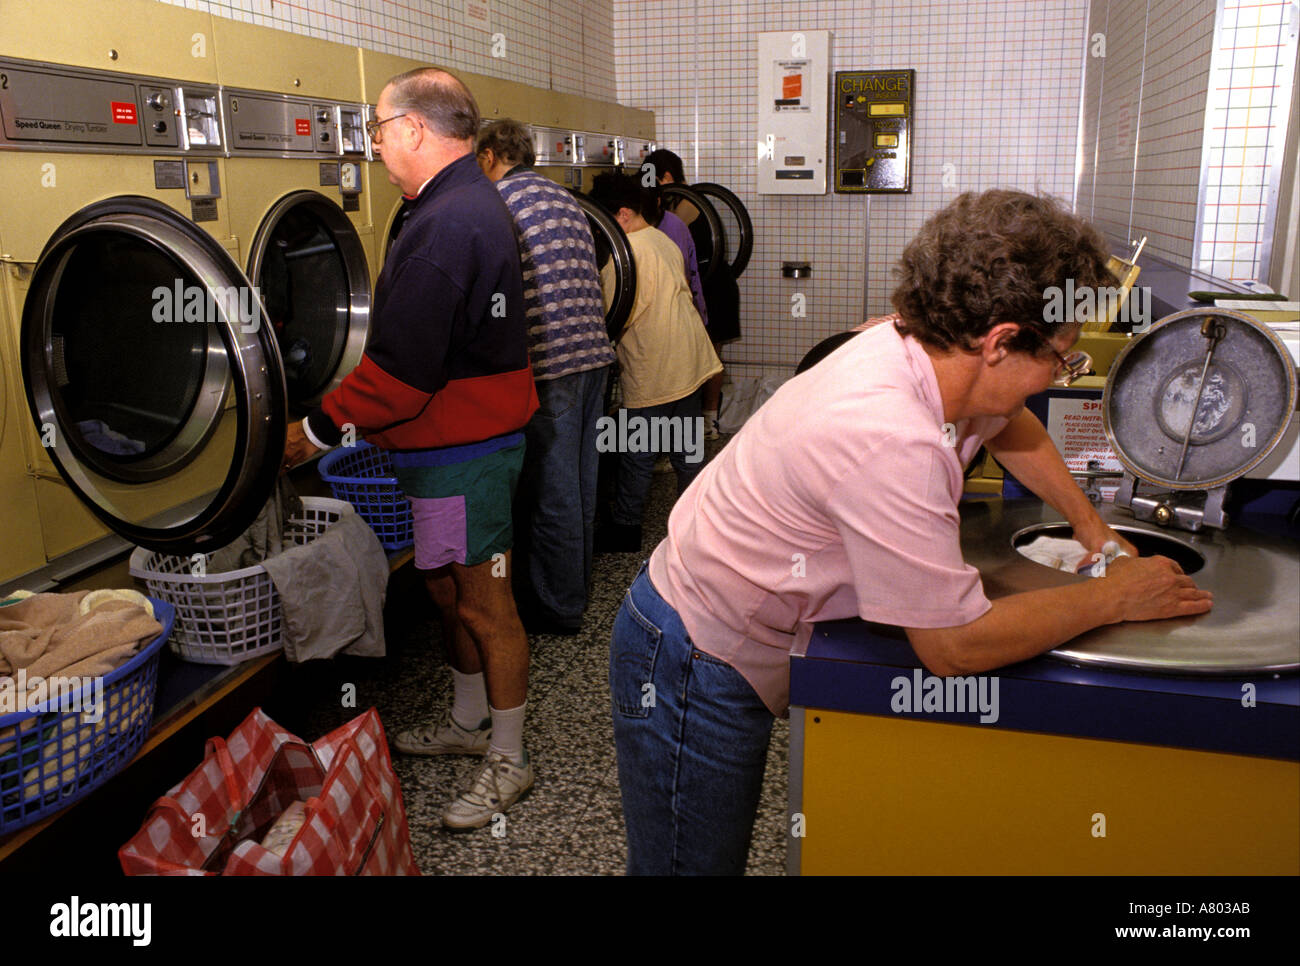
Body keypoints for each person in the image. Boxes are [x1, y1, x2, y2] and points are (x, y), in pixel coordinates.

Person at [609, 189, 1215, 875]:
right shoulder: (890, 435)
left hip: (734, 621)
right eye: (1062, 357)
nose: (1060, 373)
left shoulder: (919, 340)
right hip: (692, 651)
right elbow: (952, 648)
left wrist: (1089, 526)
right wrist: (1115, 597)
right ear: (1000, 342)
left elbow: (1008, 418)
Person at [282, 68, 539, 830]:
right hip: (440, 453)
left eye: (378, 130)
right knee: (444, 586)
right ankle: (466, 725)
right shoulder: (444, 205)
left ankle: (511, 757)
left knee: (486, 604)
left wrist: (316, 431)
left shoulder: (449, 222)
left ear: (416, 130)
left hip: (467, 455)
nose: (375, 146)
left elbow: (400, 377)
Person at [475, 119, 617, 635]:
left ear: (490, 155)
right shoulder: (564, 197)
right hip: (594, 355)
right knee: (580, 484)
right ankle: (571, 591)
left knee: (552, 493)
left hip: (551, 363)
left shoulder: (500, 204)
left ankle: (557, 608)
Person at [588, 172, 721, 553]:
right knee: (686, 450)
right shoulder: (663, 240)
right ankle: (694, 524)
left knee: (637, 454)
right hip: (690, 358)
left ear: (624, 214)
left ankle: (626, 530)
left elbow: (613, 317)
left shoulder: (624, 255)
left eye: (606, 221)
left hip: (656, 364)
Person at [642, 148, 738, 440]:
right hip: (718, 283)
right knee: (709, 356)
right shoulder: (695, 198)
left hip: (709, 288)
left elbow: (672, 252)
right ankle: (707, 422)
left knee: (703, 358)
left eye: (652, 178)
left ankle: (704, 422)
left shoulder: (683, 207)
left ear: (667, 177)